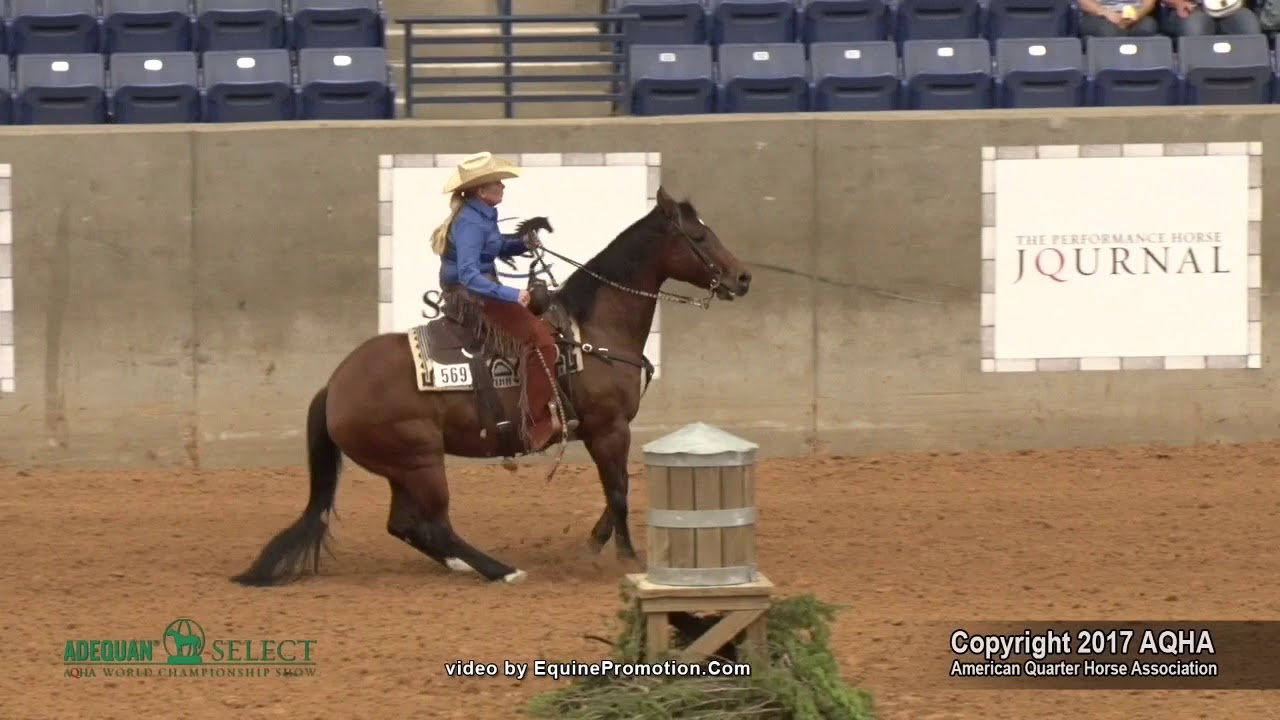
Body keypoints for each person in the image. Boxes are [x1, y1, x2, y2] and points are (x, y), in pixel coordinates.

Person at [430, 152, 572, 452]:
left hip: (479, 292)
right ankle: (532, 424)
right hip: (472, 298)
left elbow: (493, 247)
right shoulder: (471, 222)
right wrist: (511, 294)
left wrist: (521, 244)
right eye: (498, 182)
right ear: (482, 190)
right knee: (543, 343)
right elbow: (469, 274)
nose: (503, 187)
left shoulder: (481, 214)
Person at [1161, 0, 1262, 36]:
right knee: (1194, 30)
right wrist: (1177, 3)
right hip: (1191, 7)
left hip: (1230, 6)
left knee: (1248, 26)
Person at [1079, 0, 1160, 35]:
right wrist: (1108, 14)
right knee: (1108, 31)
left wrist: (1137, 15)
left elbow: (1149, 3)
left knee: (1147, 26)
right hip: (1100, 15)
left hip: (1135, 14)